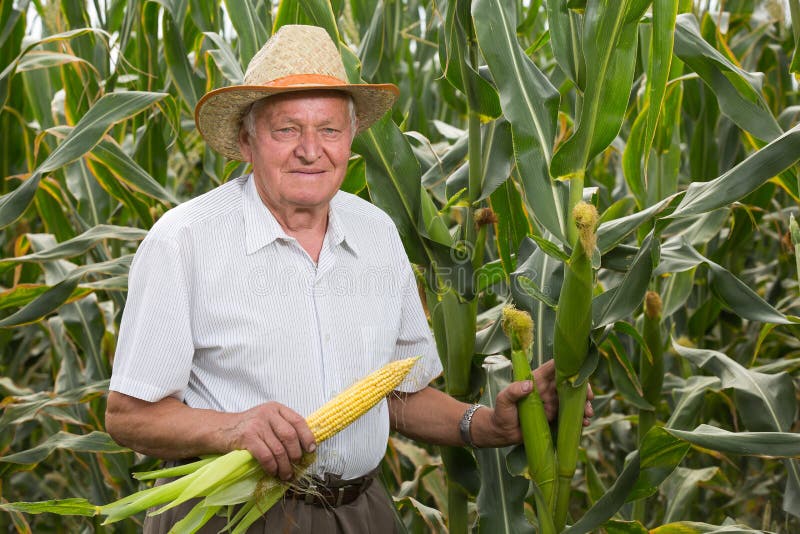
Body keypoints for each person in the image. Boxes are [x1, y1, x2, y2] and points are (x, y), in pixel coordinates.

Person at [105, 24, 592, 533]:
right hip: (231, 515)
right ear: (247, 142)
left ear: (351, 139)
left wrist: (483, 424)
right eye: (287, 129)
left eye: (329, 130)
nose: (311, 150)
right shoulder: (184, 241)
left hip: (361, 512)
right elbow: (128, 416)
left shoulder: (376, 233)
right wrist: (234, 428)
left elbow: (398, 392)